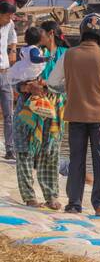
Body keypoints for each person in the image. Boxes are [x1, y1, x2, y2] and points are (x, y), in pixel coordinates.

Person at [46, 13, 100, 216]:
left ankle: (74, 203)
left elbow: (52, 82)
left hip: (75, 114)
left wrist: (68, 88)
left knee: (76, 159)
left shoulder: (68, 55)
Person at [7, 42, 64, 209]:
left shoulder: (64, 54)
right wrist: (26, 86)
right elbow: (17, 80)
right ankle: (29, 197)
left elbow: (68, 83)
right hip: (27, 109)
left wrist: (45, 84)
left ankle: (51, 196)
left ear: (50, 34)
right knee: (24, 152)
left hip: (52, 110)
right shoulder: (30, 52)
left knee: (50, 152)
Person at [0, 0, 18, 159]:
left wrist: (13, 49)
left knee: (9, 113)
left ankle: (10, 149)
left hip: (5, 73)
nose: (9, 19)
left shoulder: (9, 24)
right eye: (7, 16)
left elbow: (13, 36)